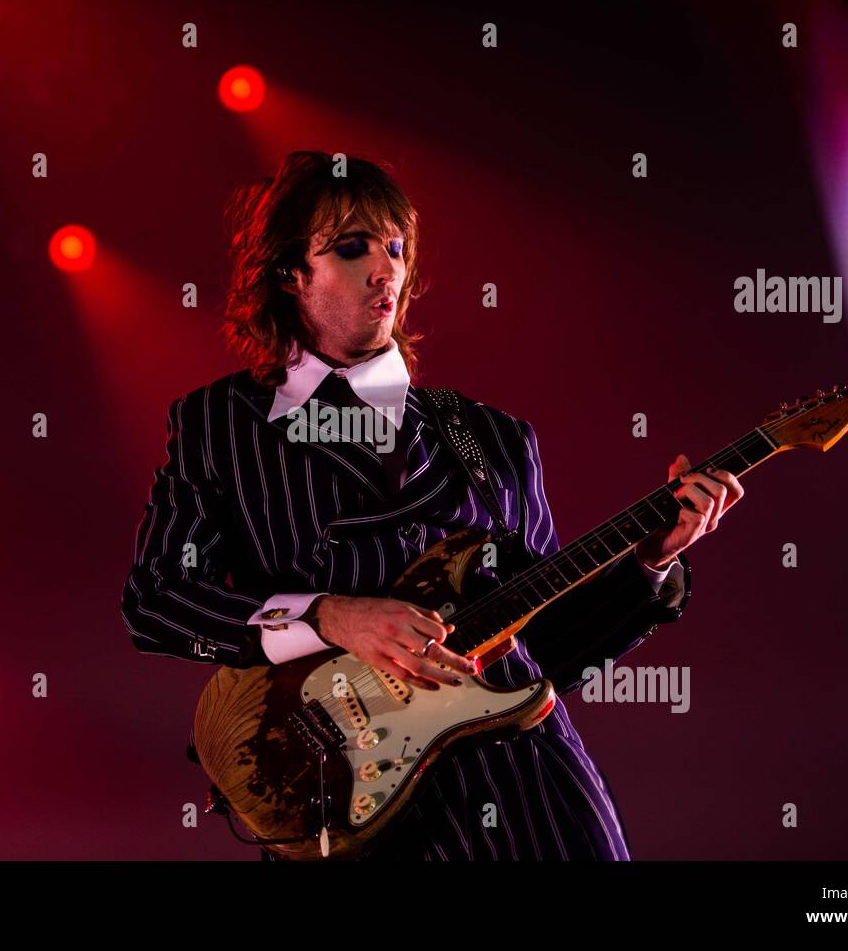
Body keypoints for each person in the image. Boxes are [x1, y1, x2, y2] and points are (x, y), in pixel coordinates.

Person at [119, 150, 743, 860]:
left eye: (395, 247)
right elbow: (157, 600)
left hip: (531, 802)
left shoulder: (492, 437)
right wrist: (328, 615)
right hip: (348, 813)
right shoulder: (220, 427)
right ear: (291, 273)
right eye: (351, 248)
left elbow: (547, 650)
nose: (385, 270)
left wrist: (651, 561)